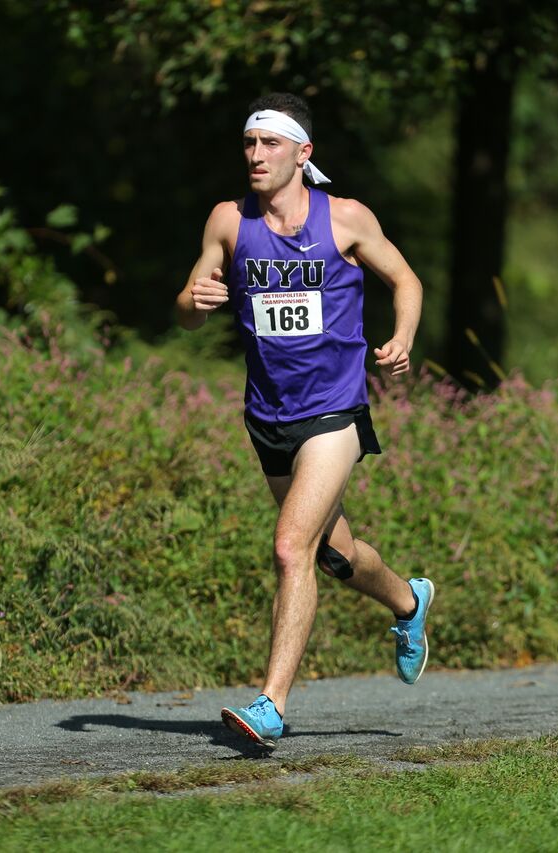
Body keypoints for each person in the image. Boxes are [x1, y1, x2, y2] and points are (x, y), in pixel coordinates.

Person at [174, 92, 433, 750]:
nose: (256, 156)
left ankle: (271, 705)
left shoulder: (344, 219)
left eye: (270, 144)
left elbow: (406, 279)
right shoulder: (228, 222)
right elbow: (187, 303)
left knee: (291, 546)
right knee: (332, 550)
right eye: (249, 144)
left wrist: (402, 337)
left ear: (302, 153)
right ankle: (407, 601)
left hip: (334, 412)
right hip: (267, 416)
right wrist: (193, 300)